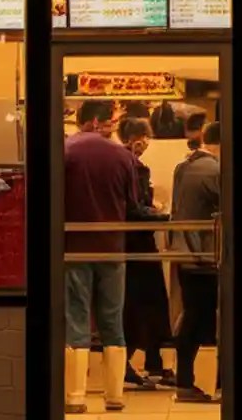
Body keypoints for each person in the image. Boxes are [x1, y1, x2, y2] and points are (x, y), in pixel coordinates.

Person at [64, 100, 138, 413]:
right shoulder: (123, 155)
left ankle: (75, 396)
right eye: (111, 121)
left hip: (73, 248)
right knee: (112, 319)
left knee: (76, 317)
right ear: (97, 121)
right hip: (112, 247)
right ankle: (114, 395)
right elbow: (134, 204)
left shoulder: (65, 151)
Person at [118, 118, 174, 390]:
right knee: (148, 303)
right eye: (145, 137)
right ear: (135, 139)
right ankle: (143, 362)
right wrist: (161, 215)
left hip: (125, 244)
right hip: (139, 243)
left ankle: (152, 362)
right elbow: (136, 207)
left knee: (139, 303)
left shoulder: (122, 163)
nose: (147, 143)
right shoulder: (135, 167)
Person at [171, 120, 222, 403]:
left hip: (184, 253)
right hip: (204, 255)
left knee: (192, 315)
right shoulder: (214, 170)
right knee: (201, 317)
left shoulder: (184, 166)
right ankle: (192, 383)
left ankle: (185, 381)